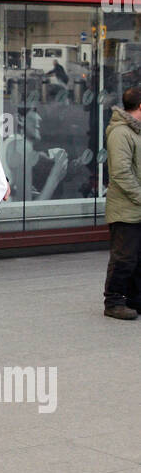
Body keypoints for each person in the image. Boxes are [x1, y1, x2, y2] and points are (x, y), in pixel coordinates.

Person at [102, 87, 141, 320]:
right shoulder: (120, 132)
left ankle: (135, 300)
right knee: (124, 257)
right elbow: (121, 173)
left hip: (136, 206)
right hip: (125, 209)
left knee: (138, 258)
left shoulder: (136, 132)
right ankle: (114, 301)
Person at [2, 106, 68, 203]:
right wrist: (55, 176)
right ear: (20, 119)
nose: (39, 118)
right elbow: (28, 209)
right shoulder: (20, 147)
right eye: (34, 111)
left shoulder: (12, 142)